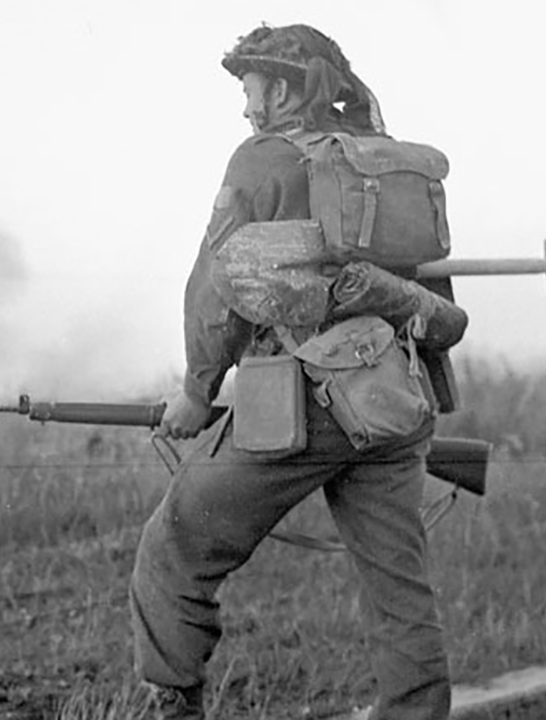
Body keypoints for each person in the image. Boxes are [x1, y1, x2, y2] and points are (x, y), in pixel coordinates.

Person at [129, 24, 452, 720]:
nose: (247, 108)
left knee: (174, 548)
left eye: (251, 90)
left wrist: (196, 392)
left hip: (301, 404)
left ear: (280, 89)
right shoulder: (383, 159)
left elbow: (218, 286)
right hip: (393, 401)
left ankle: (172, 707)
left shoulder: (263, 159)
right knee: (400, 591)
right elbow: (428, 280)